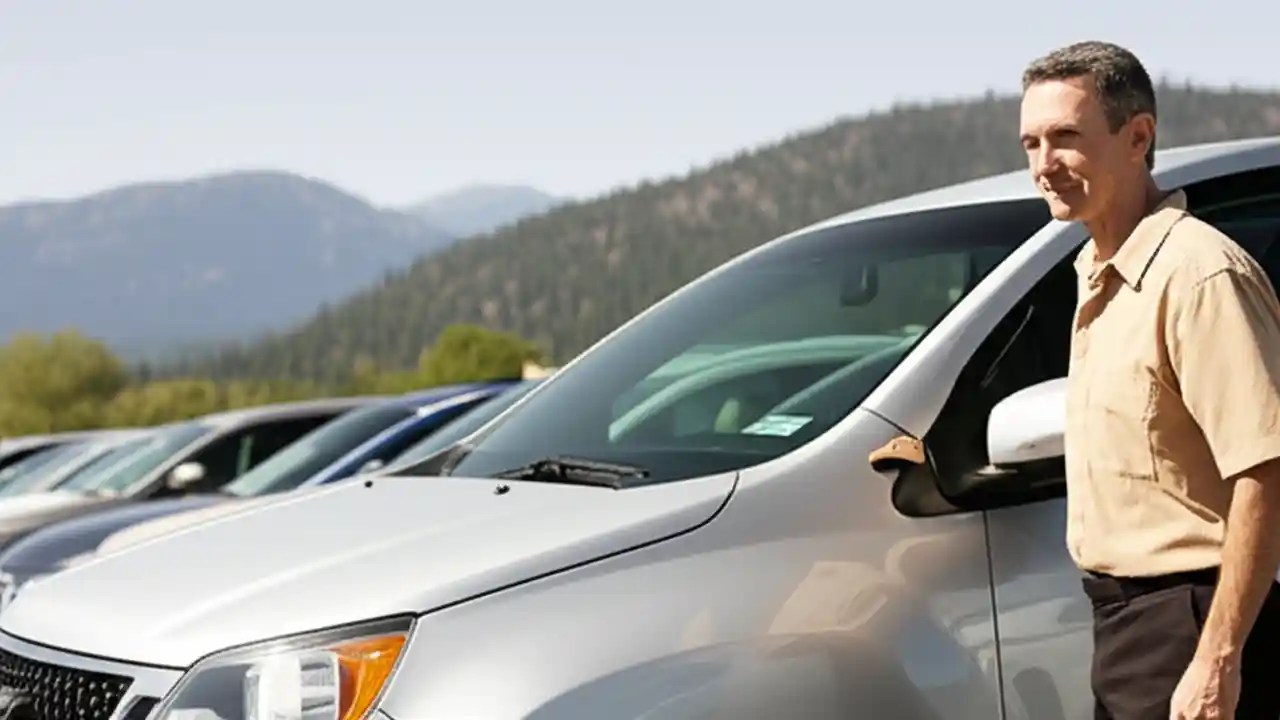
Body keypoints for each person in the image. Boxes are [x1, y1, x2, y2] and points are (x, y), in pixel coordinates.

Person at [1018, 41, 1280, 719]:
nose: (1044, 164)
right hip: (1127, 629)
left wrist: (1217, 658)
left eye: (1065, 138)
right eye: (1031, 143)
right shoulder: (1095, 272)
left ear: (1138, 137)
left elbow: (1265, 470)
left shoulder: (1197, 275)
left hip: (1191, 622)